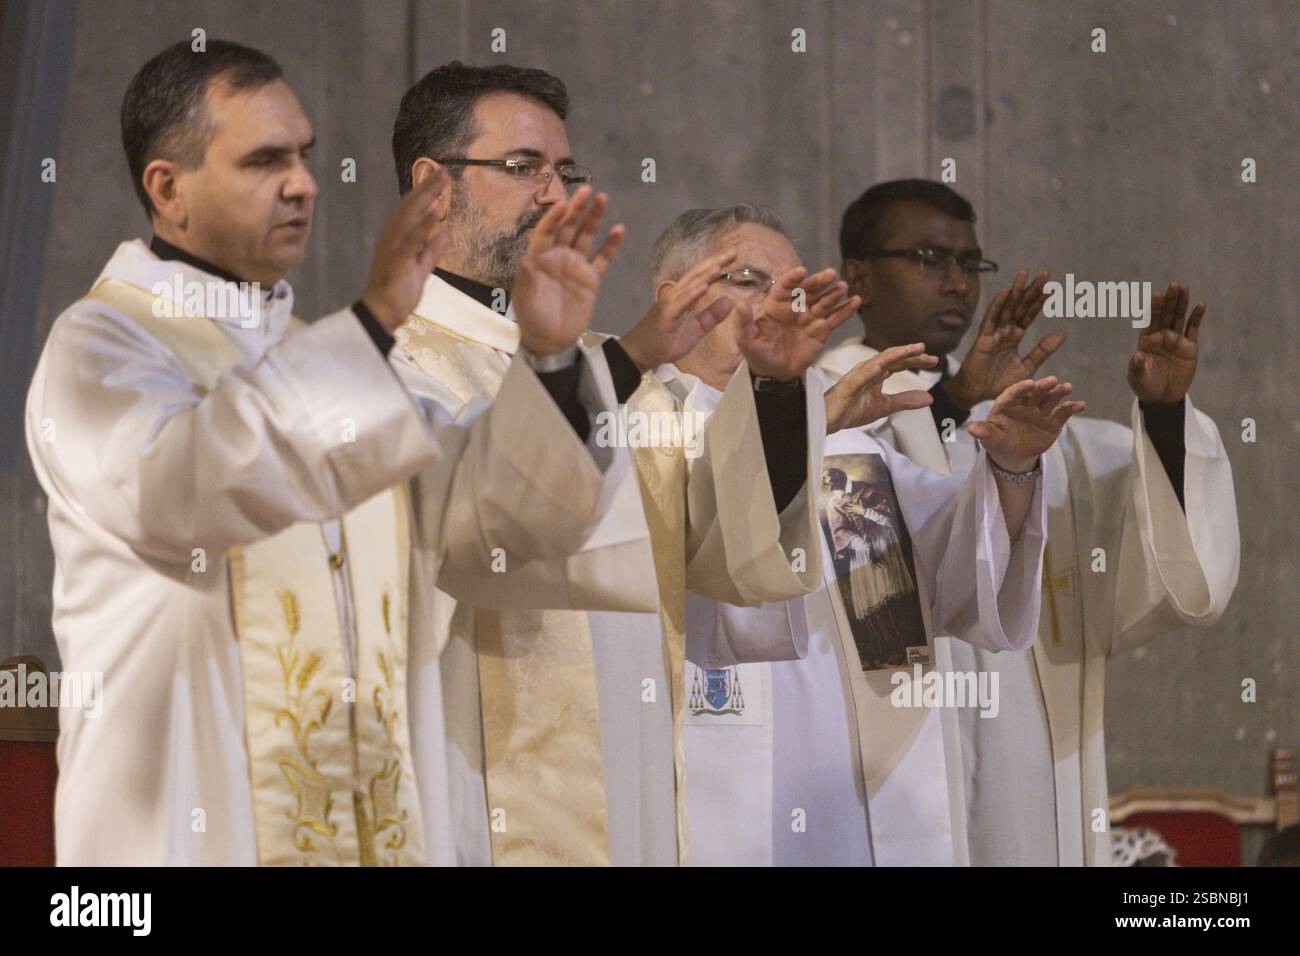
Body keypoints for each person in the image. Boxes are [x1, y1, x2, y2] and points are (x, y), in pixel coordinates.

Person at [24, 40, 634, 866]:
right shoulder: (102, 345)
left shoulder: (325, 354)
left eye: (305, 155)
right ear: (168, 188)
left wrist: (552, 359)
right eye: (264, 160)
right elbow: (175, 493)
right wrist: (378, 315)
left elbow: (489, 523)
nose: (304, 183)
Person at [387, 65, 850, 865]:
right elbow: (479, 533)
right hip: (480, 783)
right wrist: (628, 359)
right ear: (433, 185)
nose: (555, 195)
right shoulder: (391, 361)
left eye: (565, 172)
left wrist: (775, 391)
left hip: (632, 784)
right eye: (522, 167)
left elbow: (731, 559)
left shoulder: (617, 368)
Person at [817, 178, 1239, 865]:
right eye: (929, 257)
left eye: (969, 263)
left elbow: (1129, 518)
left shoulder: (1020, 413)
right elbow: (849, 528)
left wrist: (1163, 417)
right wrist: (953, 400)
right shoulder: (822, 402)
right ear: (858, 275)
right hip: (901, 745)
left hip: (1024, 733)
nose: (957, 283)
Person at [663, 204, 1081, 866]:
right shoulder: (643, 429)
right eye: (748, 281)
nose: (778, 304)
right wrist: (791, 432)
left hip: (857, 813)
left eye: (794, 290)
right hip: (720, 796)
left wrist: (1009, 465)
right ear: (676, 299)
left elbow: (951, 579)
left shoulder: (848, 451)